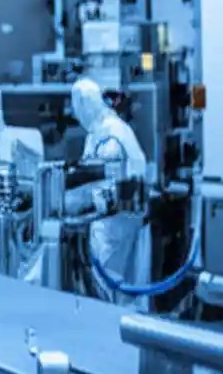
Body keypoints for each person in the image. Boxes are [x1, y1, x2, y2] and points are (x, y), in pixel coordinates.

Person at [70, 78, 150, 303]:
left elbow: (113, 184)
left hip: (117, 223)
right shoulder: (99, 131)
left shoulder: (111, 134)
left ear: (86, 104)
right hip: (115, 220)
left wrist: (81, 203)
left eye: (78, 108)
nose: (77, 116)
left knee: (108, 284)